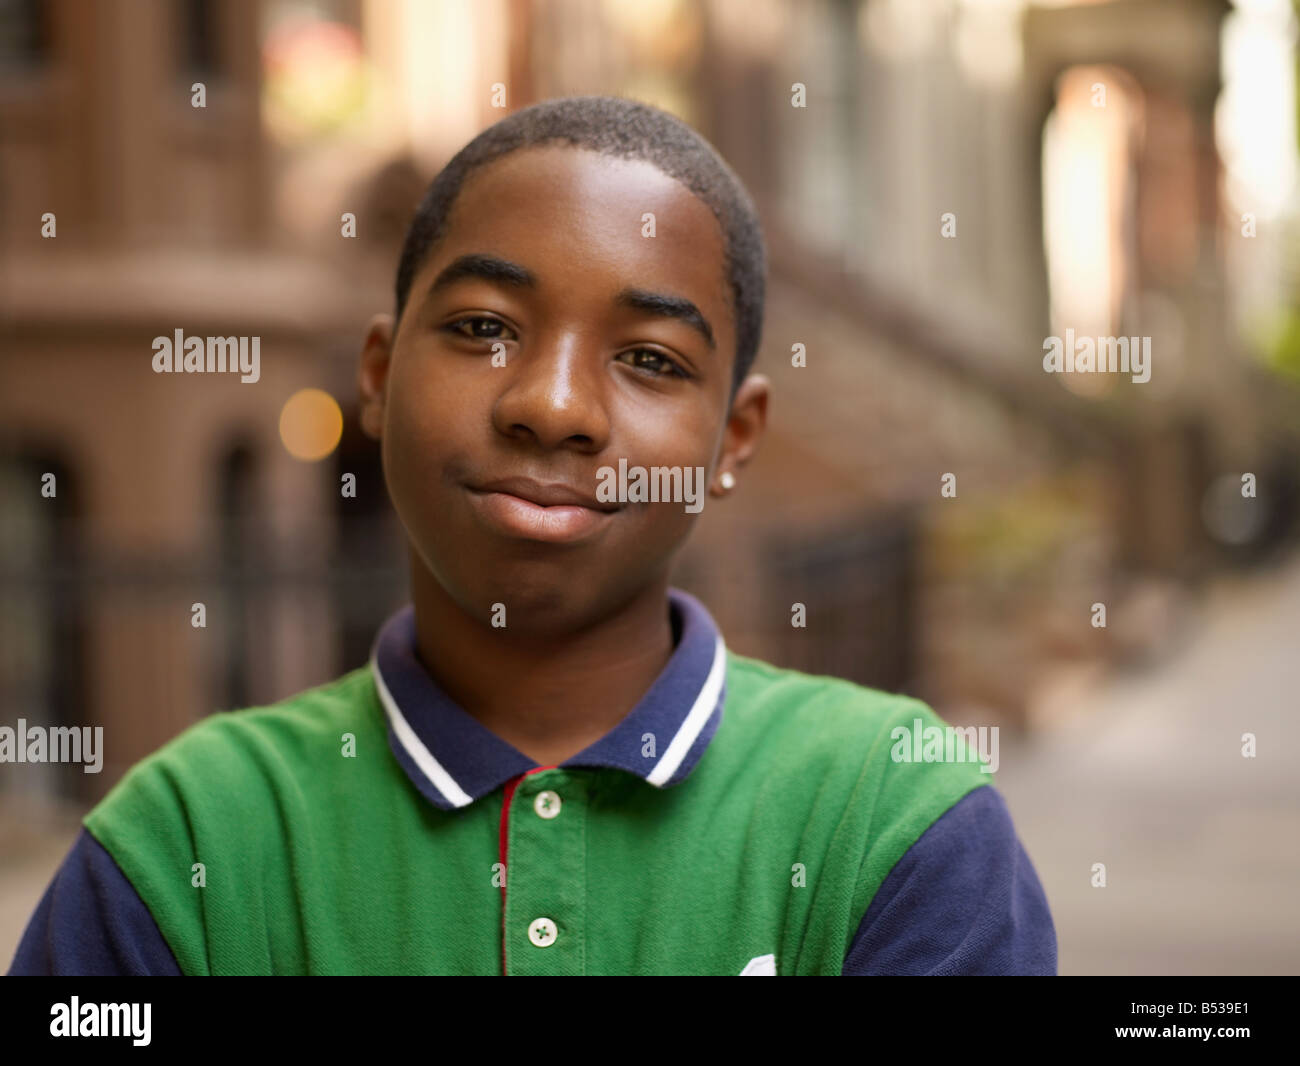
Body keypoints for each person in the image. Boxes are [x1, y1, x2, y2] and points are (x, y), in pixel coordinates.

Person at [9, 95, 1055, 975]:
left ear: (732, 440)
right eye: (481, 328)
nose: (552, 405)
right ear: (376, 375)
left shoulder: (893, 824)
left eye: (648, 359)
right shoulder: (186, 847)